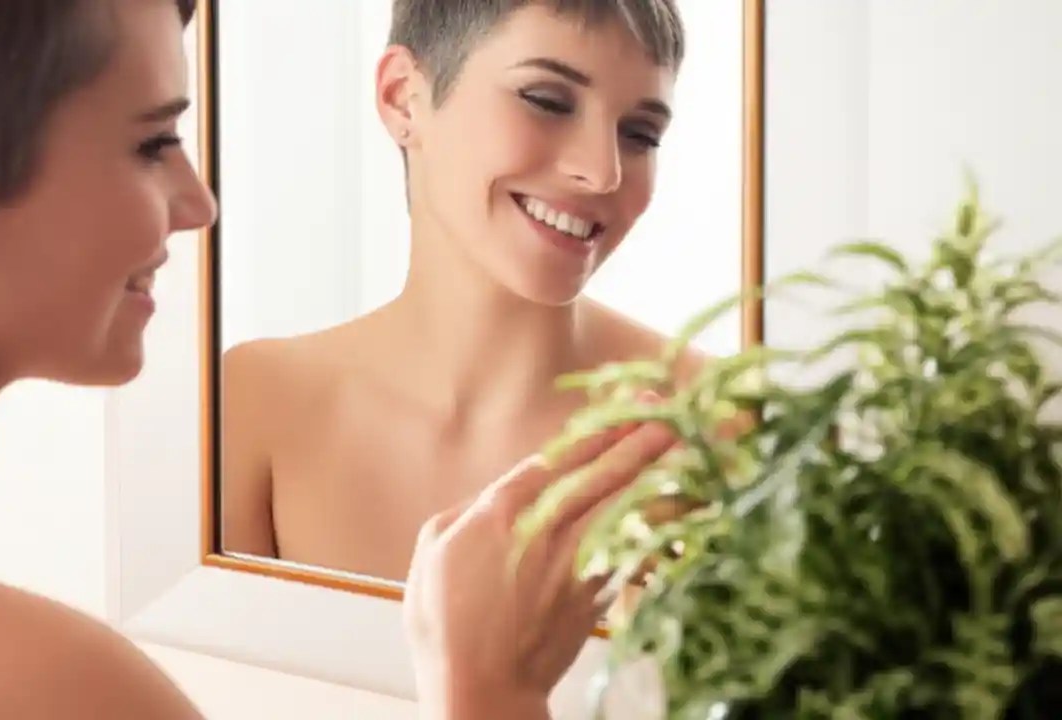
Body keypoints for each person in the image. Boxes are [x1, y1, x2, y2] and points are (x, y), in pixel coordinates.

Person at [0, 1, 684, 717]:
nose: (199, 202)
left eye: (642, 131)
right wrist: (490, 693)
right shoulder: (54, 690)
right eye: (151, 142)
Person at [221, 0, 704, 581]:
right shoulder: (255, 406)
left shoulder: (712, 420)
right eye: (547, 101)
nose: (602, 172)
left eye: (641, 134)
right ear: (403, 97)